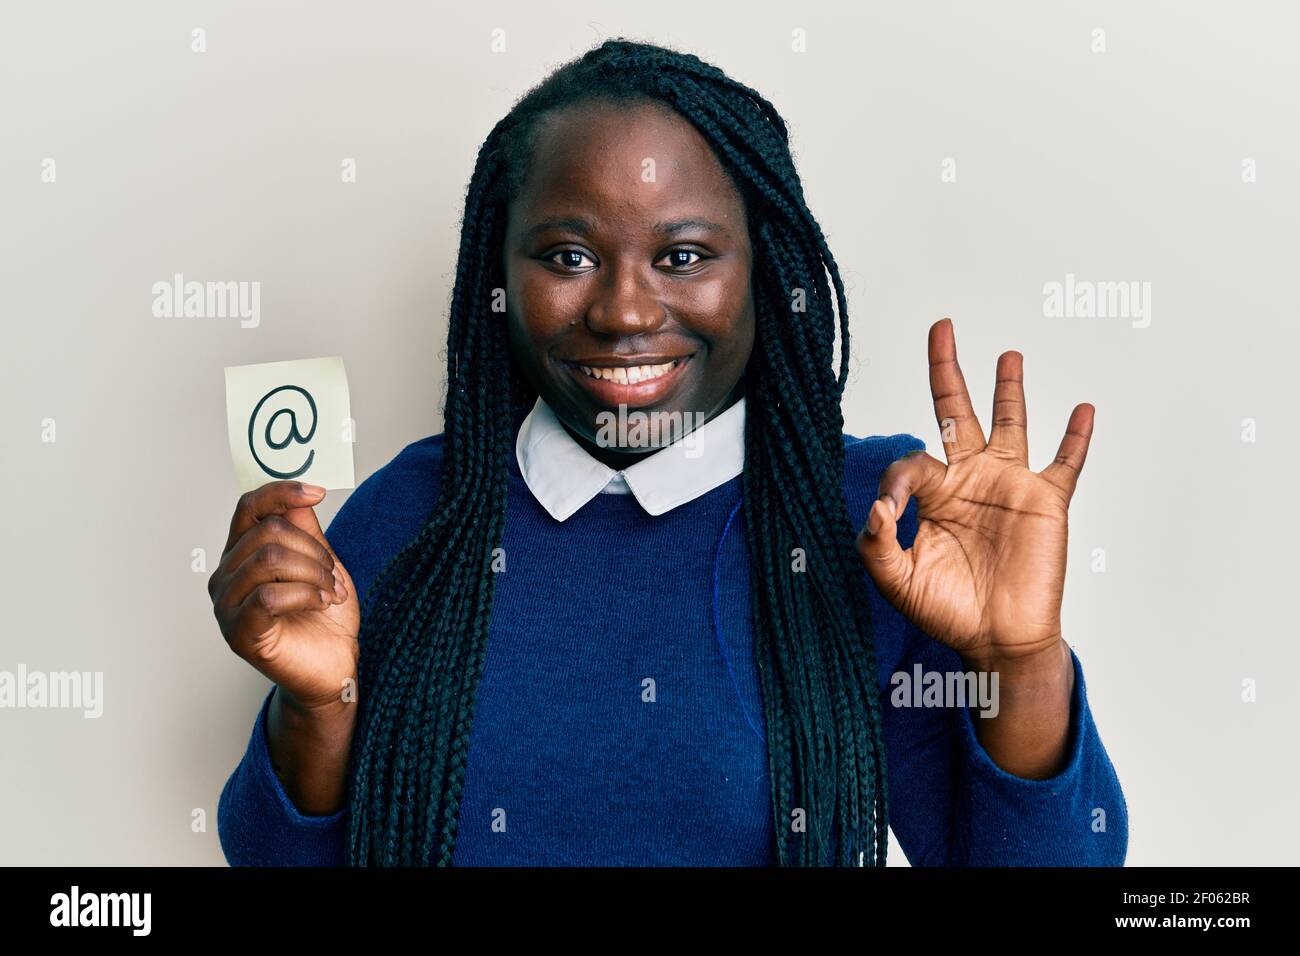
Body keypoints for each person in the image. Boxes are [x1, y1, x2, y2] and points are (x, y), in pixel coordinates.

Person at [212, 39, 1127, 867]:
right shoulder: (411, 518)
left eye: (684, 257)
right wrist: (317, 707)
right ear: (497, 277)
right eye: (567, 257)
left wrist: (1023, 661)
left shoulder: (876, 522)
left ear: (765, 274)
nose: (624, 312)